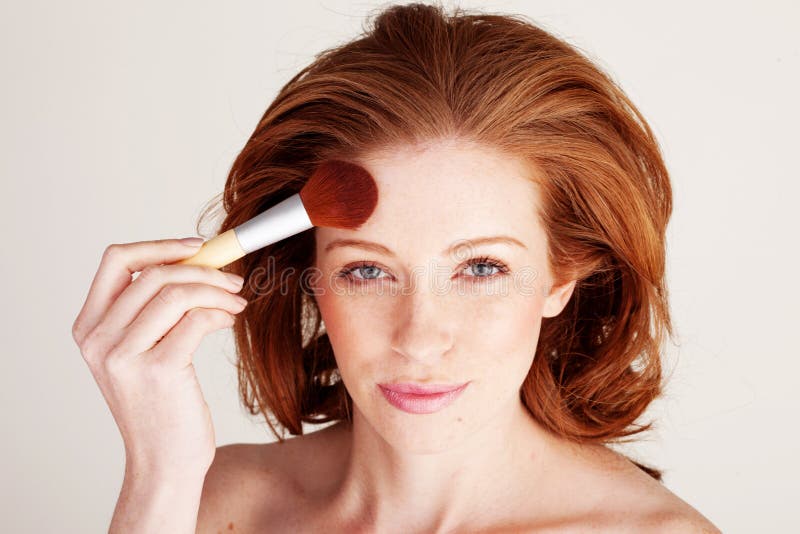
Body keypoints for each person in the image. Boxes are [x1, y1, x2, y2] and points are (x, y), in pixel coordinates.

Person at [72, 3, 721, 532]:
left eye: (481, 268)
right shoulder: (205, 503)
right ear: (312, 279)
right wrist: (160, 473)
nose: (419, 338)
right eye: (366, 271)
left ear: (561, 276)